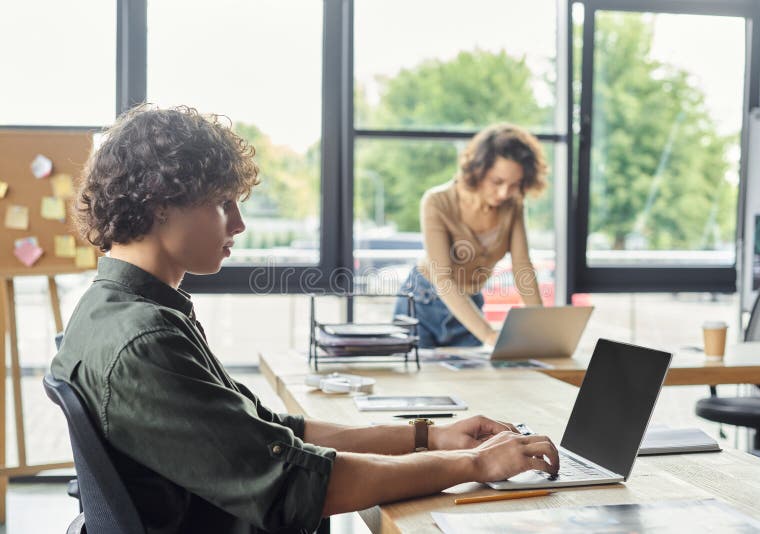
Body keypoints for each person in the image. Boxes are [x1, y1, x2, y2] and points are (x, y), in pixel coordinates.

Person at [51, 105, 559, 534]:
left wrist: (429, 437)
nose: (240, 223)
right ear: (164, 203)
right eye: (223, 203)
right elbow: (295, 484)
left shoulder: (122, 311)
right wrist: (474, 464)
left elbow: (273, 433)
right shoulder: (147, 338)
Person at [394, 124, 548, 348]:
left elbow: (522, 267)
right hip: (421, 304)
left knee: (472, 381)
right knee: (417, 380)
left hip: (470, 305)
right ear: (478, 171)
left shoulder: (513, 206)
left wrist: (542, 329)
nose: (505, 193)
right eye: (497, 182)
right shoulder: (437, 202)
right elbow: (443, 279)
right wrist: (489, 335)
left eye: (514, 185)